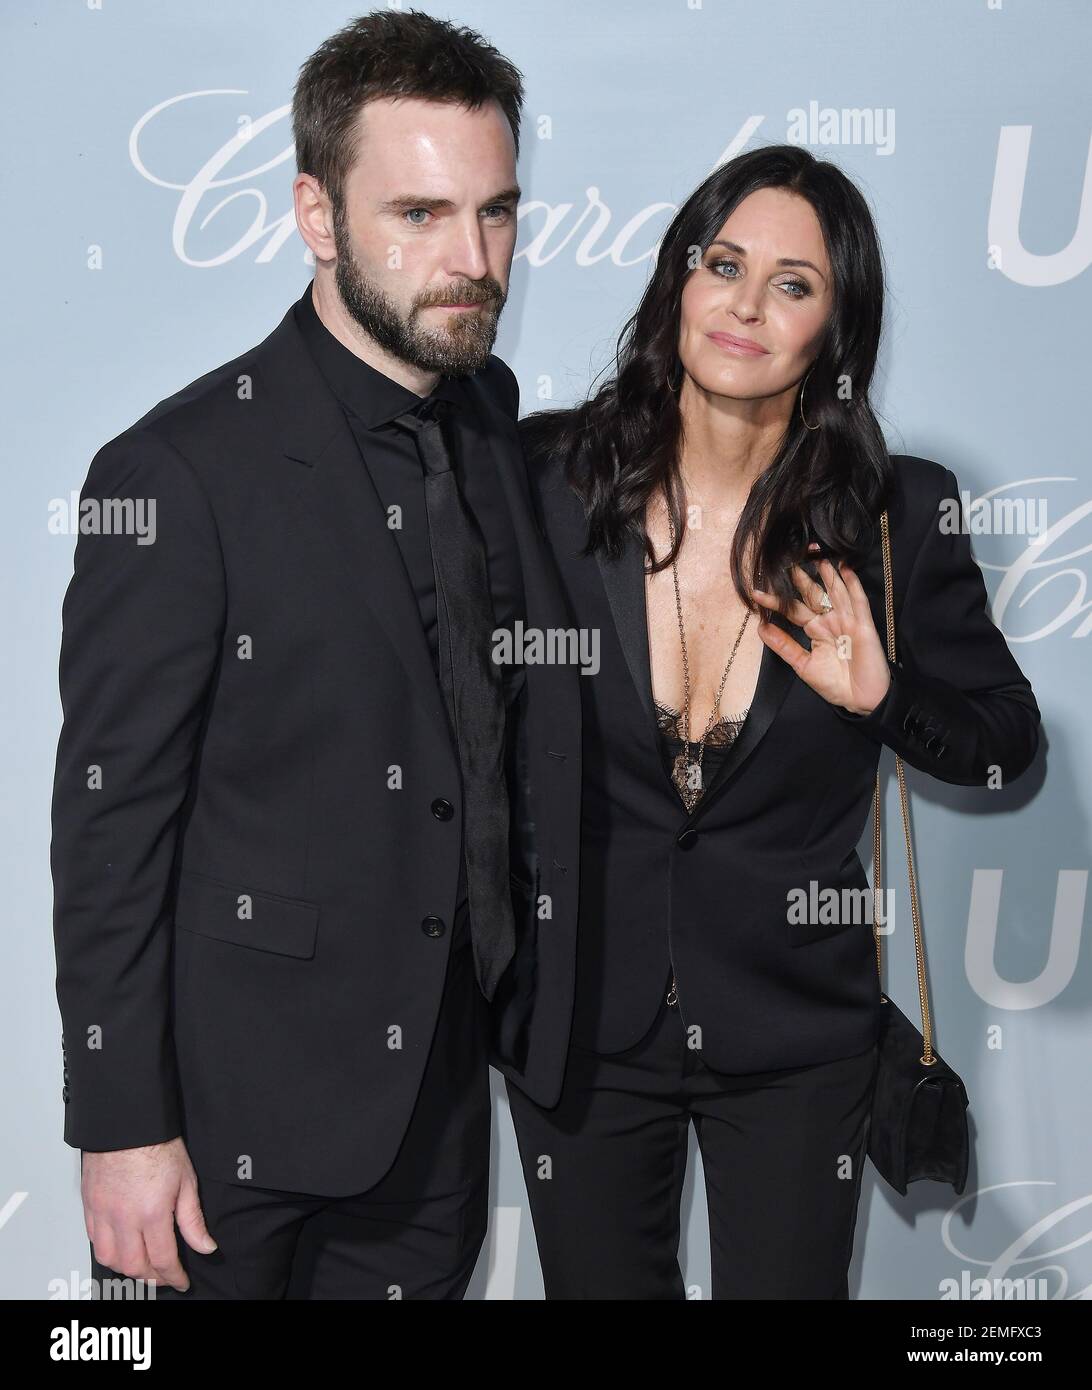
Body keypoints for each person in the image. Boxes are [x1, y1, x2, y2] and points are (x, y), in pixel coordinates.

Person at [50, 9, 580, 1300]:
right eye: (420, 214)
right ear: (316, 214)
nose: (473, 261)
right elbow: (110, 828)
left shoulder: (489, 417)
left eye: (497, 212)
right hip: (222, 1132)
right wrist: (120, 1127)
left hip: (436, 1115)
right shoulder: (176, 473)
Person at [505, 143, 1042, 1300]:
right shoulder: (545, 476)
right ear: (679, 279)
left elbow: (1008, 746)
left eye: (793, 284)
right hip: (580, 1023)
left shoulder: (897, 513)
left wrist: (885, 697)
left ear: (834, 331)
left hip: (797, 1038)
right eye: (724, 264)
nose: (746, 304)